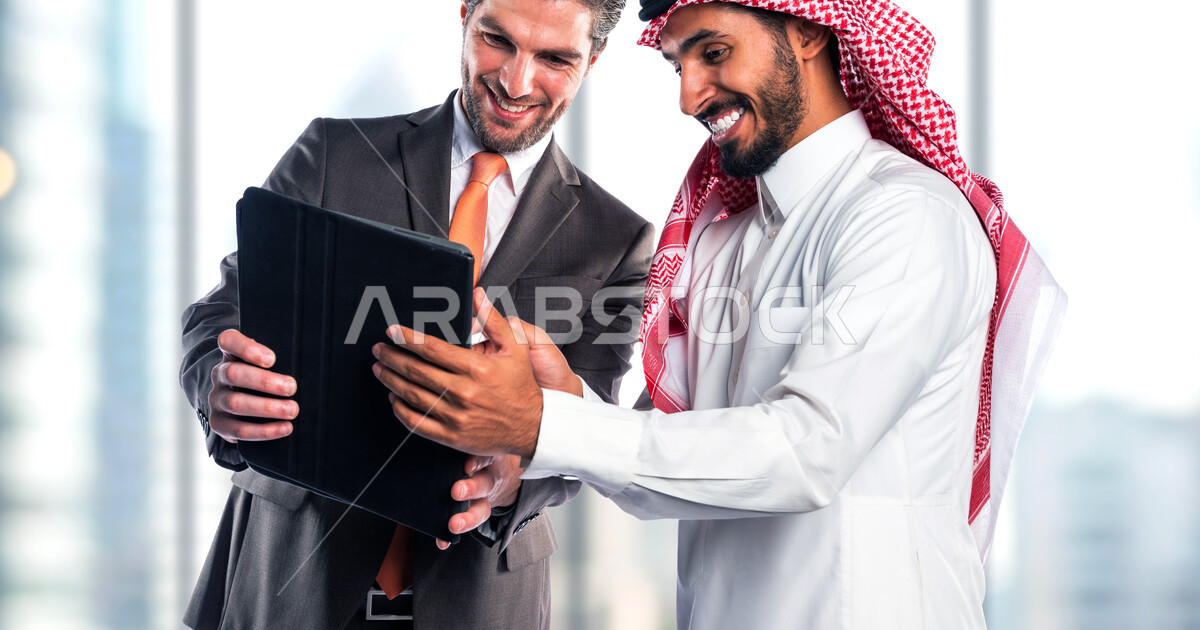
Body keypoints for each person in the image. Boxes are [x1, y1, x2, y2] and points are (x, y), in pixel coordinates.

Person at [372, 0, 1067, 628]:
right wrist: (565, 401)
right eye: (679, 64)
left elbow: (805, 454)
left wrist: (543, 423)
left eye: (714, 52)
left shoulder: (903, 214)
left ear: (806, 31)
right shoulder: (723, 238)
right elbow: (669, 457)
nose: (688, 96)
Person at [178, 0, 652, 628]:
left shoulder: (617, 240)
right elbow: (222, 311)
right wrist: (221, 386)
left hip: (479, 598)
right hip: (287, 577)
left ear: (594, 59)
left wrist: (511, 480)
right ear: (465, 14)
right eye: (498, 40)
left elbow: (589, 425)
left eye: (555, 59)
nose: (516, 82)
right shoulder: (335, 153)